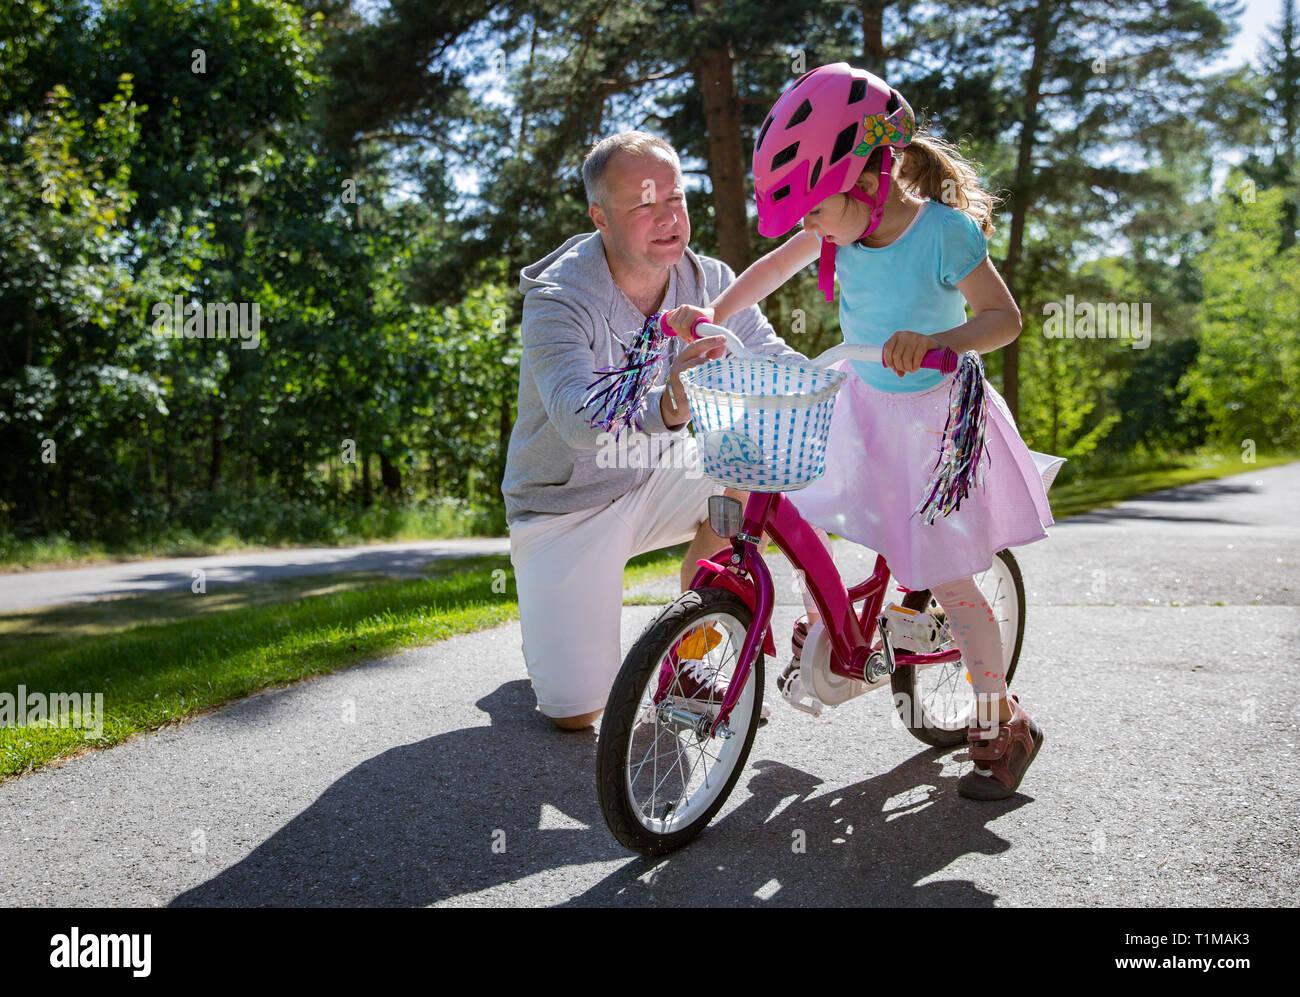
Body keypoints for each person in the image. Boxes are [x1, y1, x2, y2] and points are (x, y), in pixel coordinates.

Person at [663, 64, 1059, 800]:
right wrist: (714, 314)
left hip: (936, 422)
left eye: (814, 209)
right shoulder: (837, 232)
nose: (808, 226)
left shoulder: (943, 232)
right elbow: (773, 268)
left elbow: (1006, 320)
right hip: (864, 405)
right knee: (802, 509)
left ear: (868, 180)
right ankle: (830, 631)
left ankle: (1002, 717)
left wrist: (942, 341)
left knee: (946, 574)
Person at [501, 131, 805, 730]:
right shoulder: (559, 297)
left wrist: (836, 380)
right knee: (577, 715)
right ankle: (558, 638)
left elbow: (771, 355)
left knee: (750, 470)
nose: (668, 217)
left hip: (659, 475)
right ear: (600, 217)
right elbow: (579, 420)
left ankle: (690, 656)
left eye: (676, 197)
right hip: (564, 505)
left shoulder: (709, 279)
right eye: (644, 203)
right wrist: (670, 398)